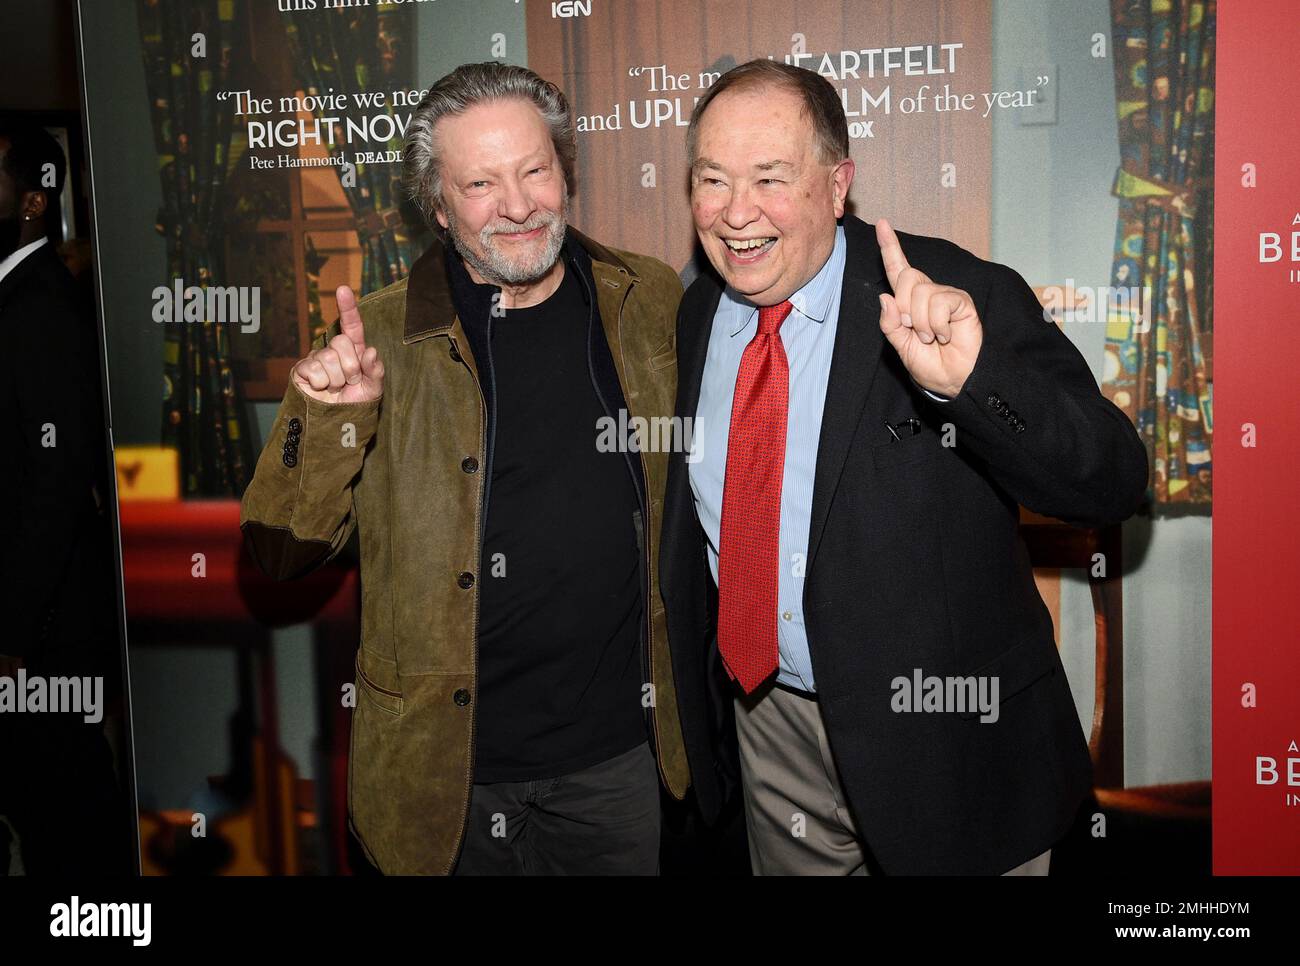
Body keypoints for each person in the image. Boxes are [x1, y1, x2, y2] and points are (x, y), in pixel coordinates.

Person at [659, 60, 1149, 875]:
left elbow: (1112, 479)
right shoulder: (696, 312)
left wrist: (974, 385)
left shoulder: (952, 294)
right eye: (712, 179)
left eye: (770, 179)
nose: (735, 213)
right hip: (771, 730)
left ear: (837, 182)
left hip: (951, 744)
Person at [240, 63, 691, 875]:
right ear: (440, 207)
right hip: (443, 780)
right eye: (481, 183)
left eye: (534, 171)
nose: (517, 206)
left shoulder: (646, 298)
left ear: (566, 172)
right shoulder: (373, 338)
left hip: (616, 765)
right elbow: (279, 552)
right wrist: (334, 420)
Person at [0, 120, 129, 874]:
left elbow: (54, 481)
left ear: (33, 203)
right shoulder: (20, 298)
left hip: (42, 631)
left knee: (66, 806)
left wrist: (13, 636)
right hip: (33, 622)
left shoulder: (40, 307)